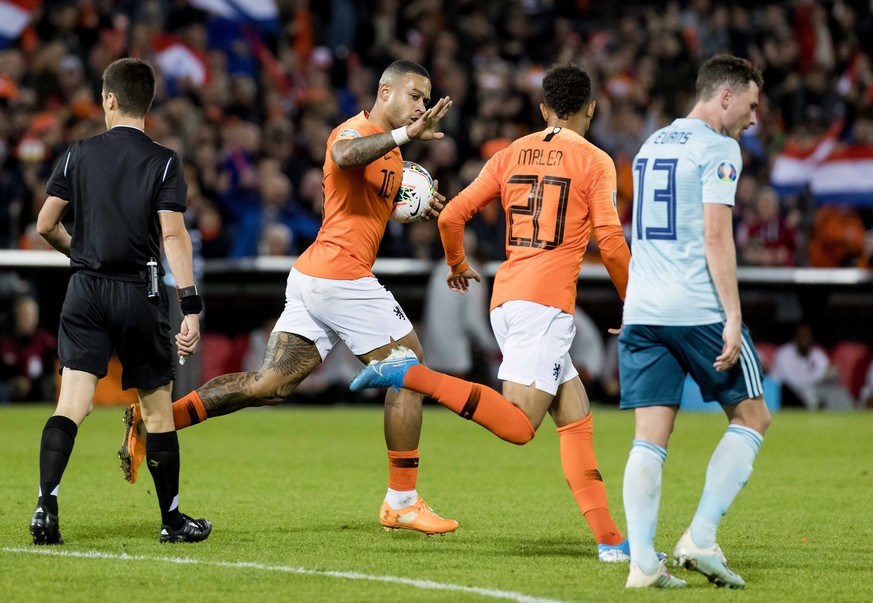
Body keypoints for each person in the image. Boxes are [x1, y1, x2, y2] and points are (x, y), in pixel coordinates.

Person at [120, 60, 462, 535]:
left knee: (269, 385)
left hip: (315, 277)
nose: (422, 107)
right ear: (385, 92)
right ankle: (401, 501)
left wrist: (417, 206)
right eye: (415, 96)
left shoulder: (393, 154)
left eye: (426, 99)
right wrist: (406, 137)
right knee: (409, 369)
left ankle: (155, 421)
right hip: (339, 276)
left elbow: (367, 201)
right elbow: (345, 157)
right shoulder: (355, 130)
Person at [351, 63, 639, 562]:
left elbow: (455, 212)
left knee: (575, 418)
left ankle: (611, 541)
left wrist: (459, 263)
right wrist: (635, 303)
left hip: (507, 299)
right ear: (591, 108)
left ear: (543, 108)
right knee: (520, 428)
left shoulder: (511, 153)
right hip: (544, 305)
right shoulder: (596, 160)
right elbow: (611, 242)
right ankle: (412, 374)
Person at [31, 58, 210, 545]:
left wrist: (83, 254)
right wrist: (189, 303)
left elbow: (46, 223)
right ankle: (172, 521)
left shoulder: (77, 153)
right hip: (139, 290)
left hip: (85, 291)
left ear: (109, 98)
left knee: (71, 404)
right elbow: (173, 234)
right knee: (155, 412)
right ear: (147, 104)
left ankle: (46, 507)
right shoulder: (164, 160)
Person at [618, 54, 771, 589]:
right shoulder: (720, 148)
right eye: (750, 106)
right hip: (698, 310)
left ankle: (642, 565)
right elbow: (714, 235)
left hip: (643, 311)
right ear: (725, 96)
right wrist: (732, 314)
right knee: (752, 418)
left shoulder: (651, 144)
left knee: (648, 440)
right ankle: (701, 537)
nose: (753, 120)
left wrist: (634, 303)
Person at [769, 323, 856, 410]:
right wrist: (822, 376)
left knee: (838, 391)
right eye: (801, 335)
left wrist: (832, 376)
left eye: (807, 336)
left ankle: (850, 414)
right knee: (809, 393)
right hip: (786, 394)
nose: (804, 339)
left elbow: (826, 376)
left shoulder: (818, 355)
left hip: (813, 389)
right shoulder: (784, 353)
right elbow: (795, 382)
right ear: (795, 337)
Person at [0, 295, 57, 403]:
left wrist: (31, 383)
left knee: (48, 385)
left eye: (30, 315)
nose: (27, 319)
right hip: (11, 386)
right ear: (16, 316)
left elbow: (49, 372)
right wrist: (17, 381)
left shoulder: (46, 341)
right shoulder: (6, 341)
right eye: (24, 315)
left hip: (37, 386)